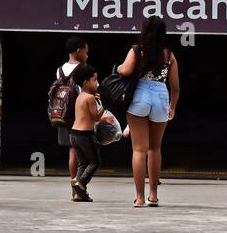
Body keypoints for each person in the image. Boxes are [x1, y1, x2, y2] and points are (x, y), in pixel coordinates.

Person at [117, 16, 179, 208]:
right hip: (161, 96)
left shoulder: (137, 51)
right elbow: (175, 86)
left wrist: (118, 67)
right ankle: (153, 195)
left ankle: (139, 197)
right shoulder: (168, 55)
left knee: (138, 149)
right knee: (155, 148)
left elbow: (124, 71)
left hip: (139, 96)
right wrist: (173, 107)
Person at [68, 63, 115, 202]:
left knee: (83, 163)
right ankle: (81, 184)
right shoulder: (89, 98)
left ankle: (78, 194)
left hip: (74, 134)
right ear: (85, 82)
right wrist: (104, 104)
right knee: (95, 161)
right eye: (94, 80)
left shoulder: (81, 96)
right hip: (85, 135)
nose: (97, 83)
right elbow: (95, 117)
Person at [54, 36, 88, 182]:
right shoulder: (84, 70)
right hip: (79, 115)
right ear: (79, 51)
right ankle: (78, 186)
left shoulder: (59, 70)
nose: (87, 55)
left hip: (63, 112)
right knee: (80, 152)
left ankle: (73, 183)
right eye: (86, 52)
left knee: (71, 150)